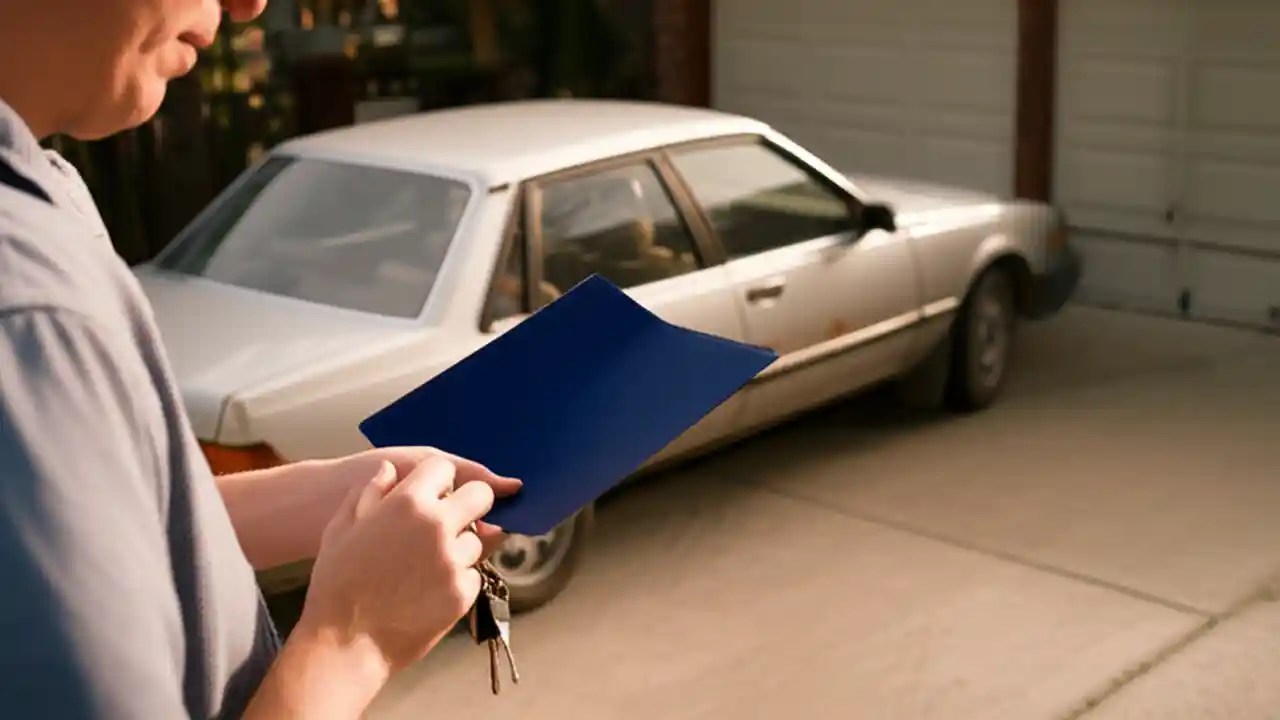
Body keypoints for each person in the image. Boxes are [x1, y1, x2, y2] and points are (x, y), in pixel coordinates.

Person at [0, 1, 520, 717]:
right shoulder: (28, 312)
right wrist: (355, 637)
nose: (249, 4)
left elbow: (127, 525)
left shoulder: (41, 186)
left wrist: (338, 494)